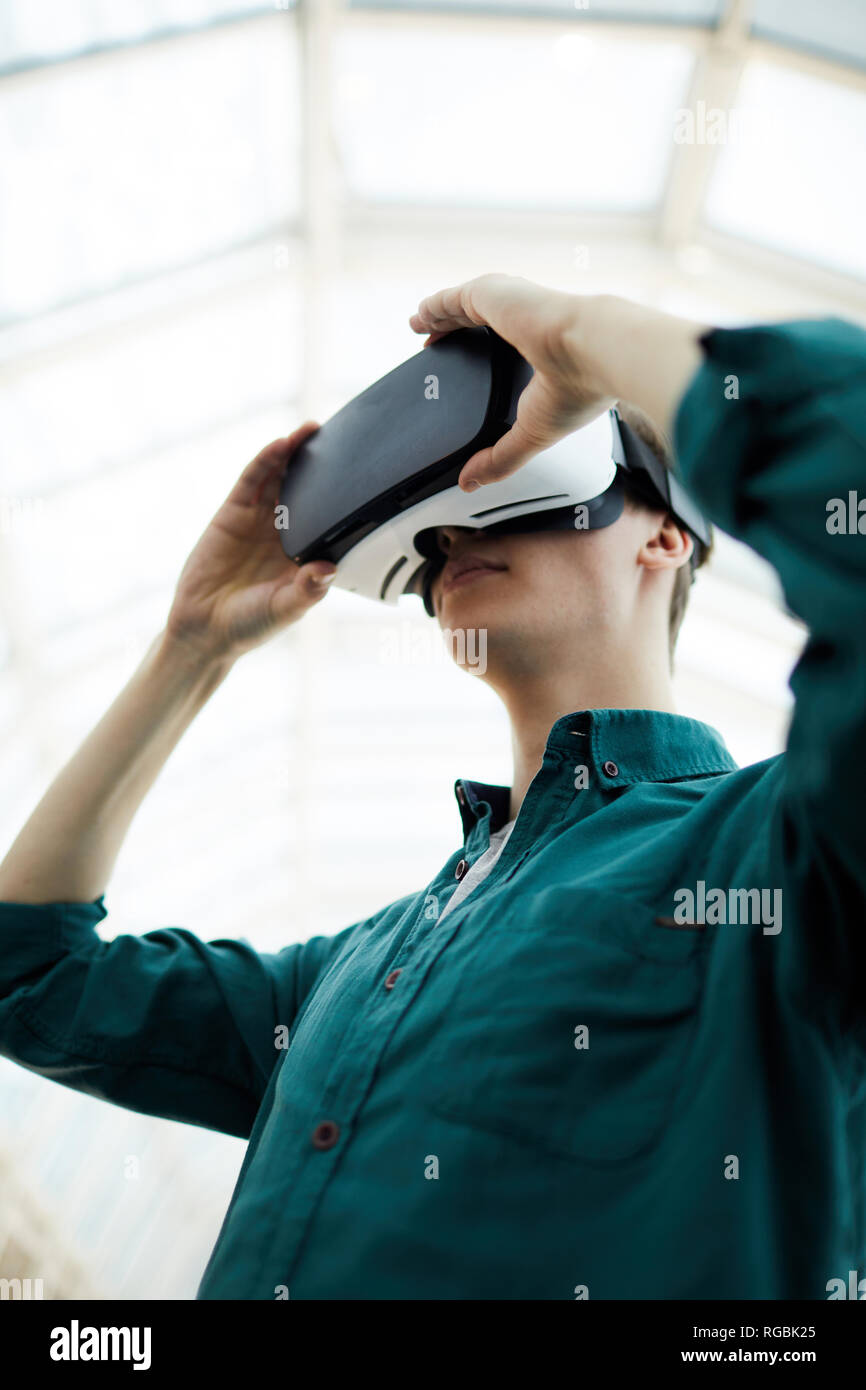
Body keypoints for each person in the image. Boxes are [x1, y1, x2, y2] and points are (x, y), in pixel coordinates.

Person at [0, 275, 863, 1300]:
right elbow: (31, 972)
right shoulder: (338, 979)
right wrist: (189, 648)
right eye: (433, 521)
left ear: (666, 533)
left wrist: (582, 339)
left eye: (510, 478)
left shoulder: (776, 855)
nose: (452, 525)